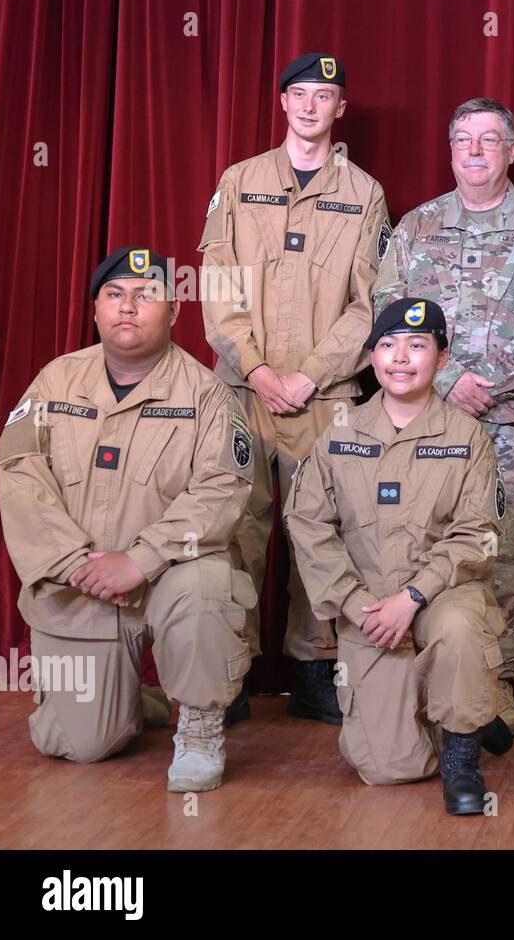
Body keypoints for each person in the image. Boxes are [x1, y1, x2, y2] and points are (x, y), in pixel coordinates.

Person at [0, 247, 255, 792]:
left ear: (174, 311)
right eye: (115, 295)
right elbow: (19, 473)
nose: (128, 307)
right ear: (95, 310)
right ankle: (129, 697)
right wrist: (74, 563)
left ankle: (202, 727)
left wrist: (139, 560)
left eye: (147, 295)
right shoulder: (55, 382)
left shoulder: (208, 395)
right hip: (82, 580)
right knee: (80, 746)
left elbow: (222, 490)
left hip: (167, 576)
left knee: (207, 583)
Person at [371, 98, 514, 736]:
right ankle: (430, 683)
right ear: (452, 151)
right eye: (464, 140)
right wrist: (451, 379)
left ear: (512, 151)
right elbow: (385, 309)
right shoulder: (416, 228)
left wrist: (490, 386)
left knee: (511, 547)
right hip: (428, 420)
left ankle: (499, 685)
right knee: (426, 544)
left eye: (490, 139)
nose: (477, 150)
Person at [199, 52, 391, 724]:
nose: (312, 107)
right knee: (232, 528)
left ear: (341, 109)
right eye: (300, 94)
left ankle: (313, 668)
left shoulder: (365, 193)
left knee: (323, 531)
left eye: (326, 96)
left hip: (327, 395)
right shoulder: (240, 180)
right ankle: (230, 676)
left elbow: (373, 304)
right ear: (282, 102)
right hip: (243, 390)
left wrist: (311, 374)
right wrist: (255, 368)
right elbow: (218, 283)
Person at [285, 298, 511, 815]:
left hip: (441, 597)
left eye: (417, 345)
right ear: (373, 356)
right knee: (387, 769)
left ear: (443, 356)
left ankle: (461, 757)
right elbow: (309, 527)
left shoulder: (467, 438)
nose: (401, 358)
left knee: (456, 630)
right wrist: (359, 604)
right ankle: (471, 707)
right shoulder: (338, 436)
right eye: (387, 346)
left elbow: (478, 534)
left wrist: (412, 597)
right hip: (367, 610)